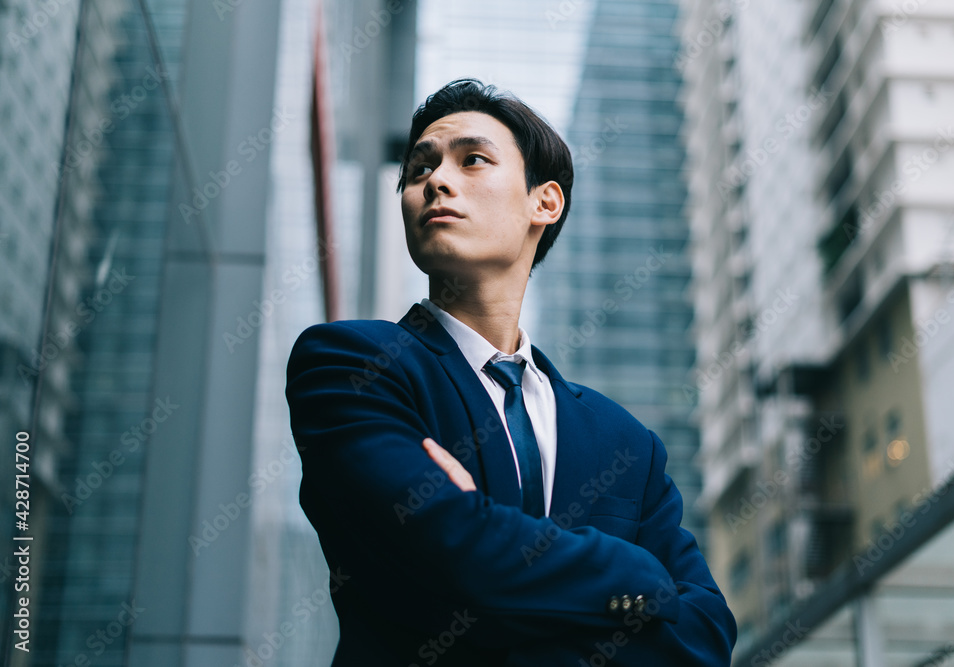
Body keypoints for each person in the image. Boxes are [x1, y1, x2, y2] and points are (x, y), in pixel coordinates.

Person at [286, 78, 736, 666]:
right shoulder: (352, 363)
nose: (436, 181)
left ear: (544, 203)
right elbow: (452, 554)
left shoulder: (625, 442)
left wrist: (493, 551)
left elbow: (705, 638)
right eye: (419, 169)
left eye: (472, 159)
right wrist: (640, 578)